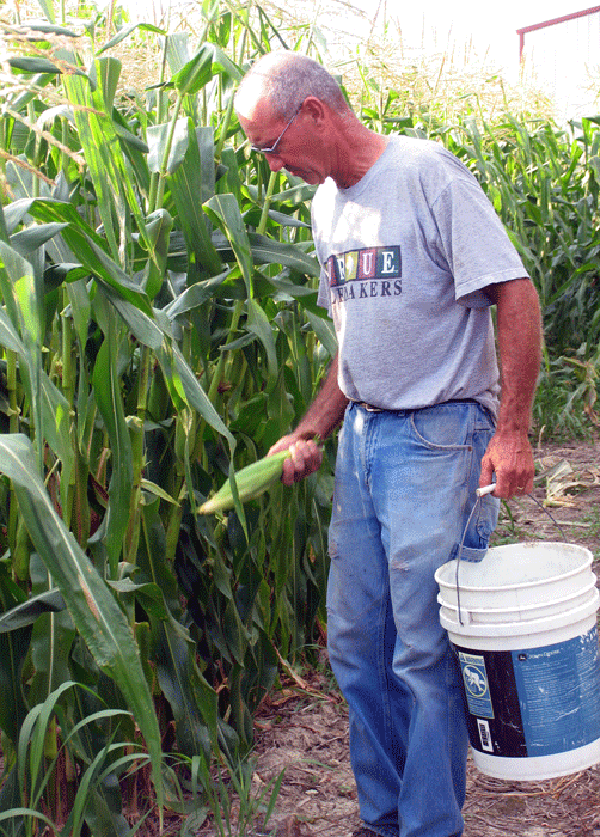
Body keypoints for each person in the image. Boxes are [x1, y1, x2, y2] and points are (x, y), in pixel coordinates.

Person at [235, 51, 542, 837]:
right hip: (364, 443)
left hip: (440, 437)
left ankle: (430, 824)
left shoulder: (425, 174)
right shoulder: (326, 208)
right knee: (354, 647)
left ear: (313, 113)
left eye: (272, 147)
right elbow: (354, 347)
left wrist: (511, 429)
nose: (276, 167)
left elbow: (514, 290)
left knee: (421, 651)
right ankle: (384, 816)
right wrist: (310, 430)